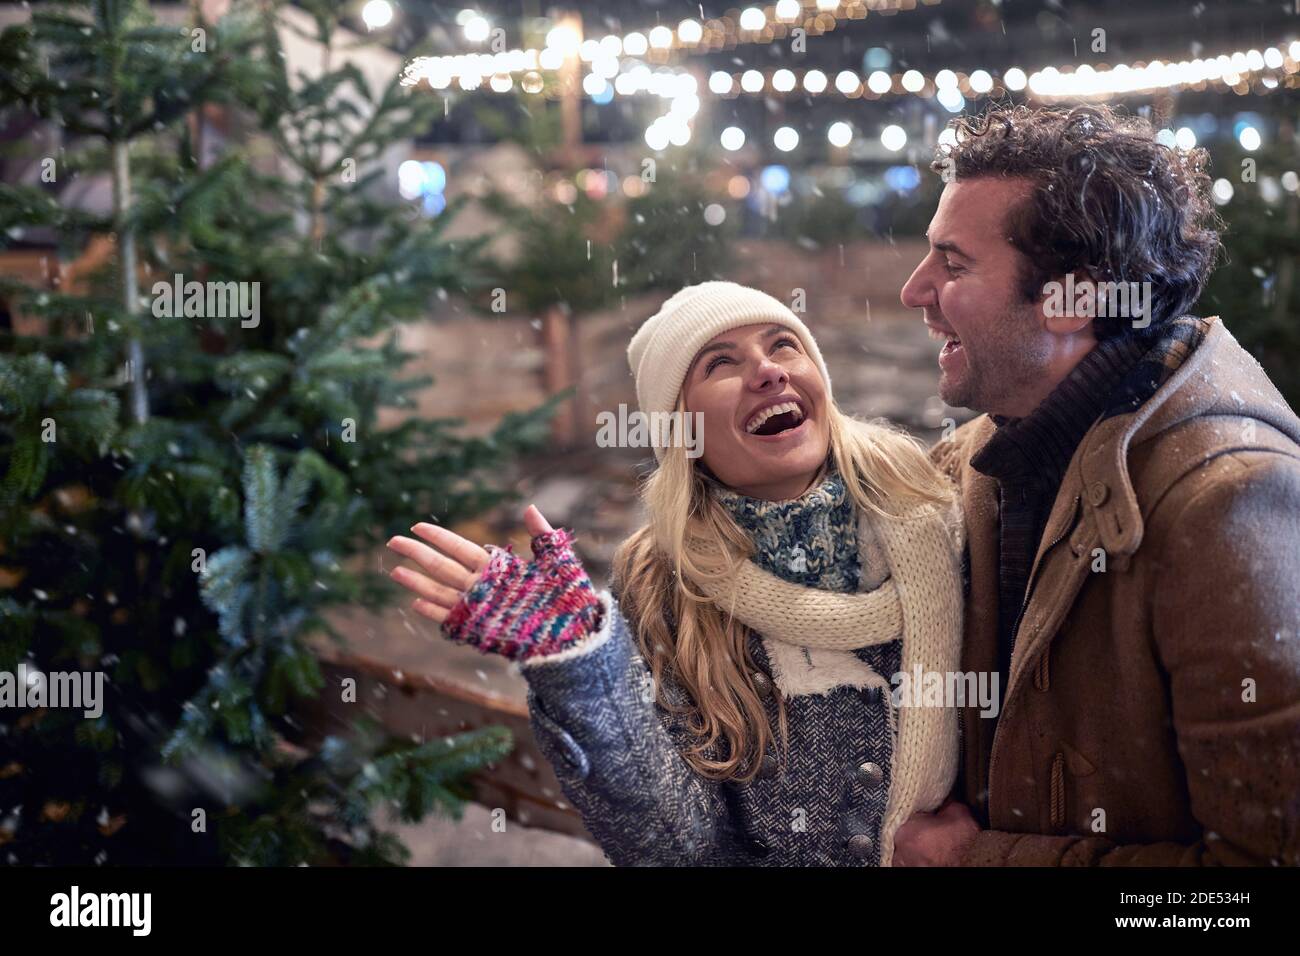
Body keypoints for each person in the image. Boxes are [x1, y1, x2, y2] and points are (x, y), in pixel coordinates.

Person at [387, 281, 964, 865]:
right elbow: (679, 848)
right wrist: (584, 669)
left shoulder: (948, 516)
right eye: (721, 363)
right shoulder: (662, 589)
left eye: (783, 345)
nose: (768, 372)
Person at [892, 104, 1300, 866]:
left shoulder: (1228, 504)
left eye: (953, 264)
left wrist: (976, 862)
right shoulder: (977, 461)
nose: (915, 290)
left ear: (1073, 300)